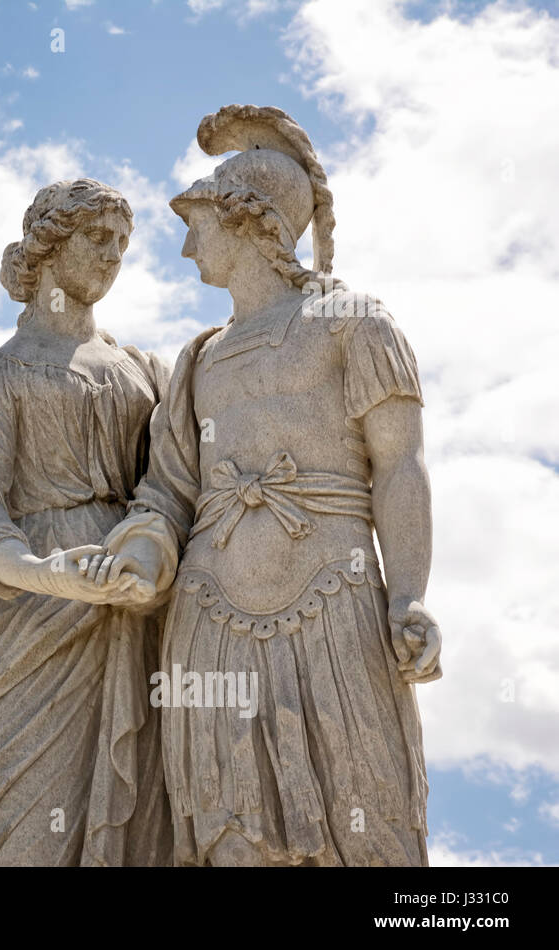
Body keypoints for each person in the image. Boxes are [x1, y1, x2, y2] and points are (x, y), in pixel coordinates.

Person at [92, 106, 440, 866]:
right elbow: (167, 495)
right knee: (228, 832)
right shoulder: (199, 361)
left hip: (334, 609)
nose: (186, 246)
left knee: (364, 815)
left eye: (199, 222)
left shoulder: (353, 325)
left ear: (248, 222)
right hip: (210, 623)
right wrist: (142, 554)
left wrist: (407, 593)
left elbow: (401, 465)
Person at [0, 178, 175, 866]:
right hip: (28, 618)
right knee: (26, 835)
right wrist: (43, 573)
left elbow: (179, 482)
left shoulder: (144, 371)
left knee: (141, 837)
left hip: (131, 604)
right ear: (49, 244)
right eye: (97, 238)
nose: (113, 255)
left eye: (123, 244)